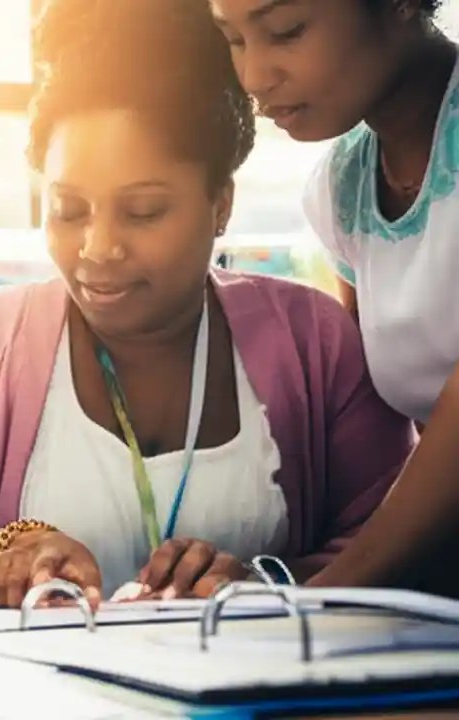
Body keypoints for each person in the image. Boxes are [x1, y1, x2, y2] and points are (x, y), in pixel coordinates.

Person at [0, 0, 415, 609]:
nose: (98, 250)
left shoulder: (314, 341)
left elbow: (397, 546)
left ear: (221, 205)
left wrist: (263, 586)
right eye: (68, 210)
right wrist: (14, 549)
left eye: (144, 212)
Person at [208, 0, 459, 596]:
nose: (254, 77)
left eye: (286, 31)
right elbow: (381, 438)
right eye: (236, 40)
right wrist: (277, 580)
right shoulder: (342, 186)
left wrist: (324, 595)